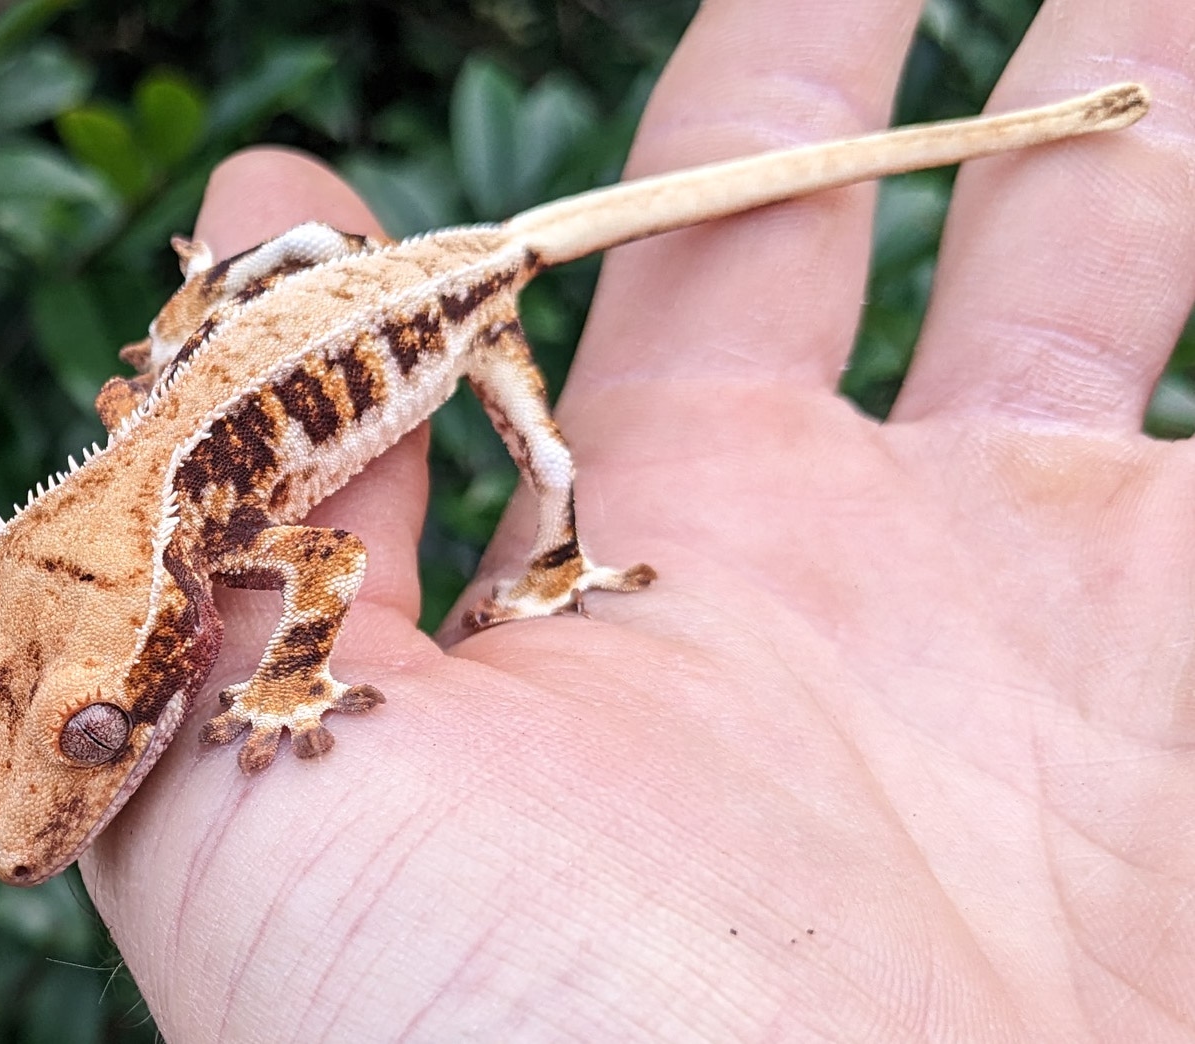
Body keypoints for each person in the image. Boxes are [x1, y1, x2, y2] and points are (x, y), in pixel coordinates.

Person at [81, 1, 1195, 1038]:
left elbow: (324, 549)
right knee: (370, 293)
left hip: (451, 310)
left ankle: (559, 563)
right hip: (368, 294)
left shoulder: (208, 519)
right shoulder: (180, 508)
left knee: (548, 457)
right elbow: (304, 259)